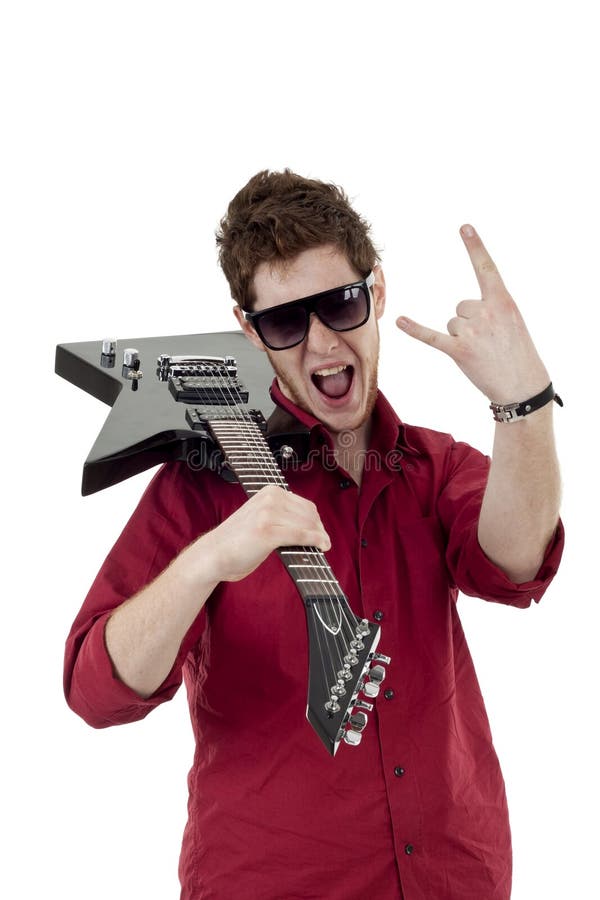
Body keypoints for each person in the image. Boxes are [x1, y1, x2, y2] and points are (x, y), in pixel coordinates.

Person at [64, 169, 564, 900]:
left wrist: (525, 403)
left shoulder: (431, 466)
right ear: (249, 330)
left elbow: (517, 563)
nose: (322, 341)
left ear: (378, 293)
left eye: (340, 303)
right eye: (286, 322)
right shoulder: (198, 491)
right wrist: (208, 560)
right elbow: (95, 690)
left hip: (456, 877)